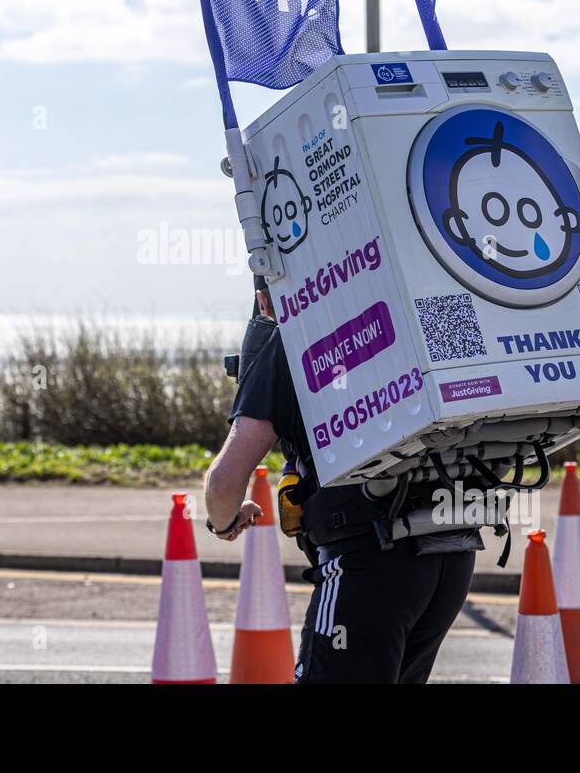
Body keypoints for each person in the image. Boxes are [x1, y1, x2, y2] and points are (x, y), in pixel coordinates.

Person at [203, 278, 481, 684]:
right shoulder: (406, 323)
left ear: (266, 298)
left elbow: (224, 484)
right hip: (450, 555)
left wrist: (224, 521)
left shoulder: (295, 342)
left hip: (367, 559)